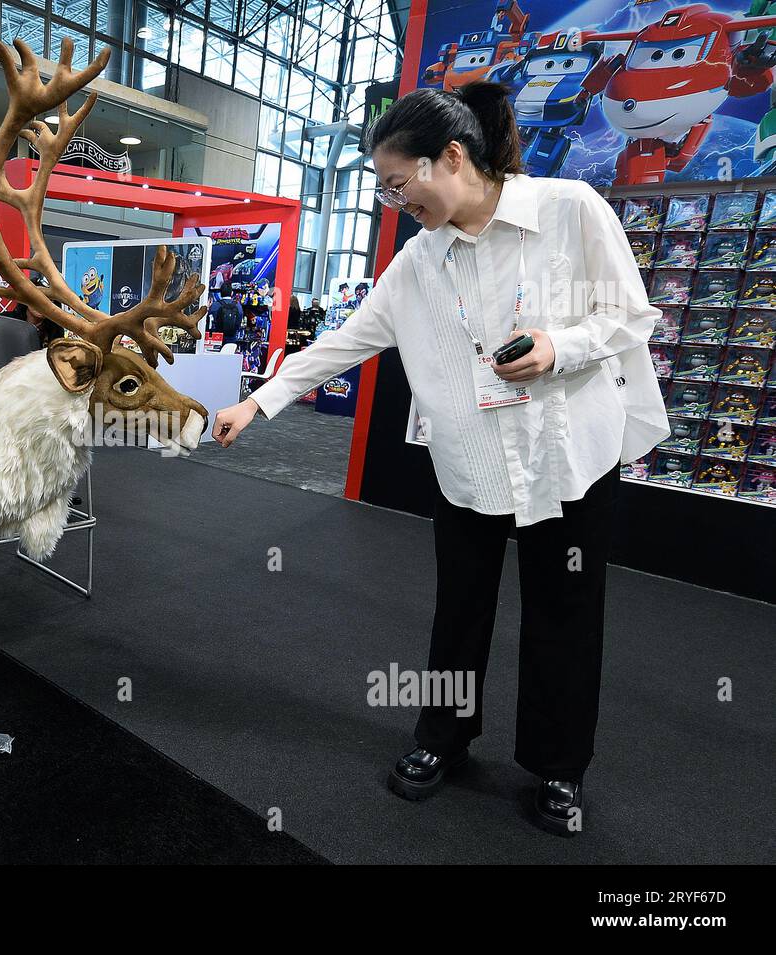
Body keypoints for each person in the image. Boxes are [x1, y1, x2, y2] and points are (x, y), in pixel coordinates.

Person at [211, 81, 669, 837]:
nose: (395, 203)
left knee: (566, 614)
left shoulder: (568, 209)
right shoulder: (419, 261)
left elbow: (628, 314)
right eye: (385, 191)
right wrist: (259, 401)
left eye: (399, 184)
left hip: (567, 459)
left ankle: (559, 767)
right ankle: (442, 739)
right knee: (459, 610)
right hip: (469, 464)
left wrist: (560, 347)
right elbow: (349, 338)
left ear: (452, 156)